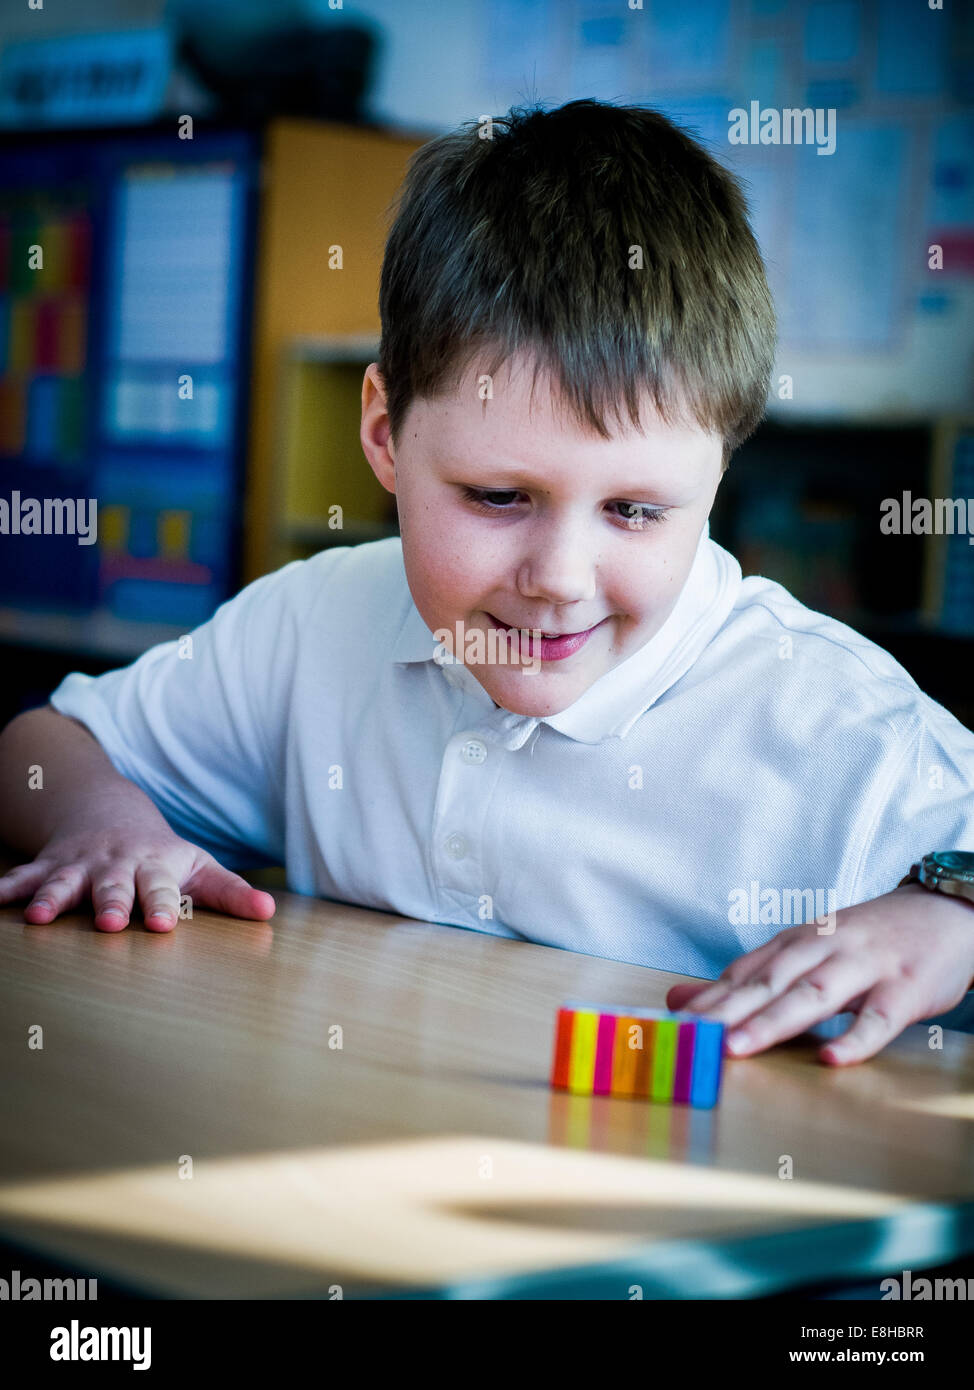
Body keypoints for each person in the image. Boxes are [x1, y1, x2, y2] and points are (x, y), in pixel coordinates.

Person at [2, 100, 973, 1066]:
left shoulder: (839, 728)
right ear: (383, 431)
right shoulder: (313, 622)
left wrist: (948, 912)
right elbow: (39, 744)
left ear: (715, 472)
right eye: (499, 495)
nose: (557, 579)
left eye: (634, 511)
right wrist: (103, 822)